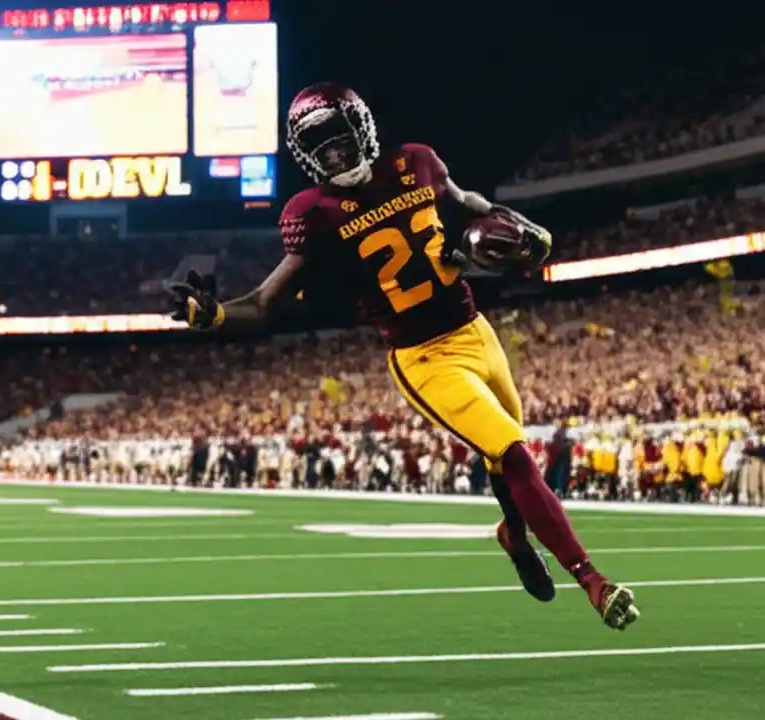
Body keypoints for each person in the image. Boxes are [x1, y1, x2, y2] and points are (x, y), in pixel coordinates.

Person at [166, 83, 637, 630]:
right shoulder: (313, 212)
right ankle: (593, 581)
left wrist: (522, 230)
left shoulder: (415, 162)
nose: (334, 157)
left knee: (505, 455)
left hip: (476, 331)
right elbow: (267, 303)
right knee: (512, 453)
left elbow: (471, 206)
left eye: (339, 141)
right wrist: (215, 315)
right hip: (423, 356)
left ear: (361, 128)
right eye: (320, 149)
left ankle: (513, 531)